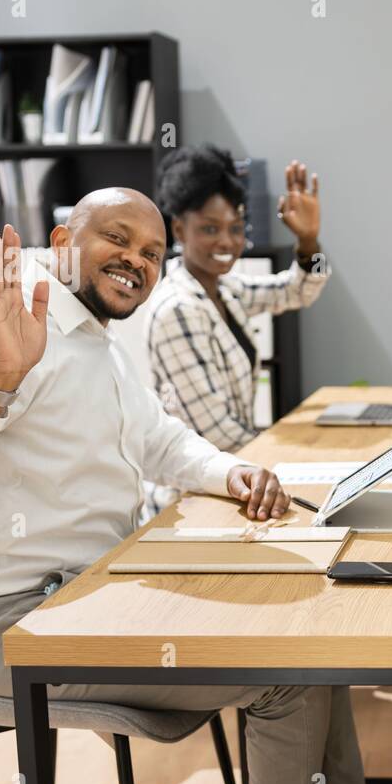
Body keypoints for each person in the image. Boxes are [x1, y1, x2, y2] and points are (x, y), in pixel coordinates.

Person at [0, 189, 368, 784]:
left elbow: (159, 438)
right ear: (60, 244)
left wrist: (234, 471)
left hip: (92, 596)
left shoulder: (98, 346)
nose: (135, 259)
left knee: (315, 646)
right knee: (288, 676)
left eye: (152, 252)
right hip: (8, 627)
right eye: (116, 237)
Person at [144, 146, 330, 513]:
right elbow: (218, 433)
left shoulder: (225, 289)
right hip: (193, 501)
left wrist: (309, 241)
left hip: (240, 483)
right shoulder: (177, 309)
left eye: (235, 228)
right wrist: (296, 463)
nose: (227, 242)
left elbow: (300, 289)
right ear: (179, 228)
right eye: (210, 229)